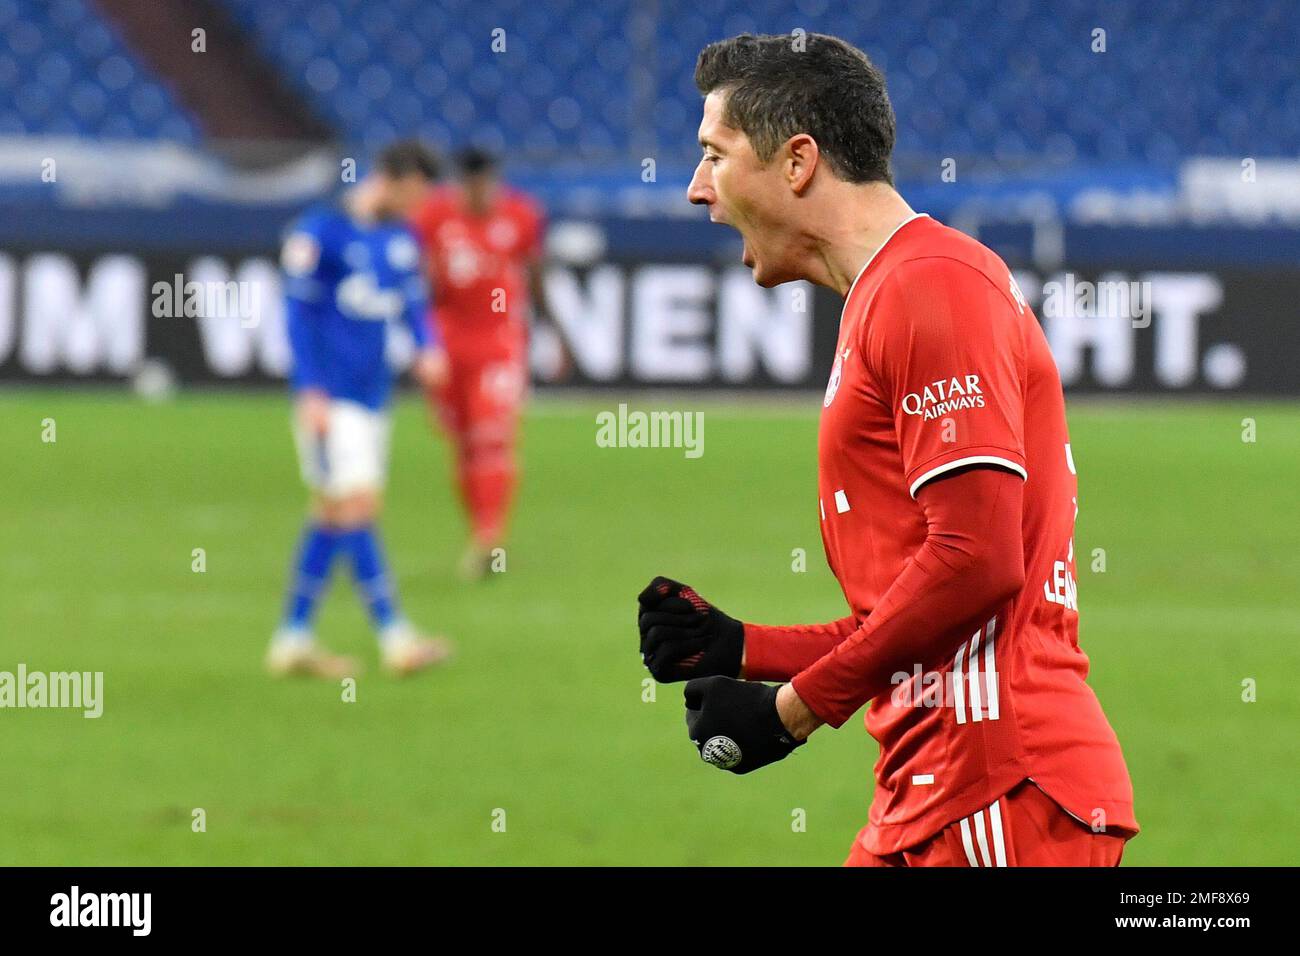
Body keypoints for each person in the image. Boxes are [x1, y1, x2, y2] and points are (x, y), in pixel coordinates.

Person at [637, 33, 1138, 866]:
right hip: (937, 789)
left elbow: (977, 562)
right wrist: (744, 647)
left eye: (712, 156)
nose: (698, 192)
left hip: (996, 786)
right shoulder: (894, 293)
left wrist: (791, 709)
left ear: (797, 161)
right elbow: (915, 610)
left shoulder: (928, 287)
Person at [267, 140, 452, 678]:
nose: (419, 207)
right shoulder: (319, 231)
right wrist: (310, 389)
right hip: (333, 398)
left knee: (330, 512)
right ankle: (395, 638)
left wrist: (428, 346)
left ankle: (292, 638)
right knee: (358, 507)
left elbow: (414, 304)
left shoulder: (400, 238)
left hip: (373, 397)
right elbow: (298, 318)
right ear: (388, 180)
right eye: (414, 194)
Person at [411, 147, 563, 580]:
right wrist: (420, 343)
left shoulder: (519, 215)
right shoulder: (433, 217)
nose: (478, 194)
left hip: (499, 342)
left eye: (485, 185)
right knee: (461, 442)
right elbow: (417, 282)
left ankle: (489, 538)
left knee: (492, 436)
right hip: (448, 340)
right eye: (470, 185)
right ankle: (480, 530)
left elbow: (535, 277)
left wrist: (555, 333)